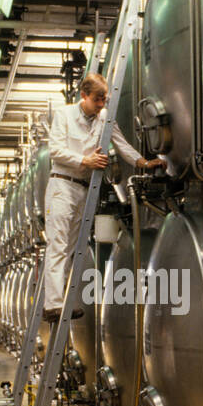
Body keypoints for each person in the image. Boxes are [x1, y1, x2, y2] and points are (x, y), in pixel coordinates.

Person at [43, 72, 159, 322]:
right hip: (62, 187)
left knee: (73, 248)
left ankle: (64, 302)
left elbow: (121, 144)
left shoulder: (104, 118)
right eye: (97, 99)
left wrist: (143, 162)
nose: (101, 104)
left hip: (84, 188)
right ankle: (52, 304)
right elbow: (55, 150)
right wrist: (85, 160)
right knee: (59, 245)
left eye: (104, 99)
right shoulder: (64, 115)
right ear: (83, 95)